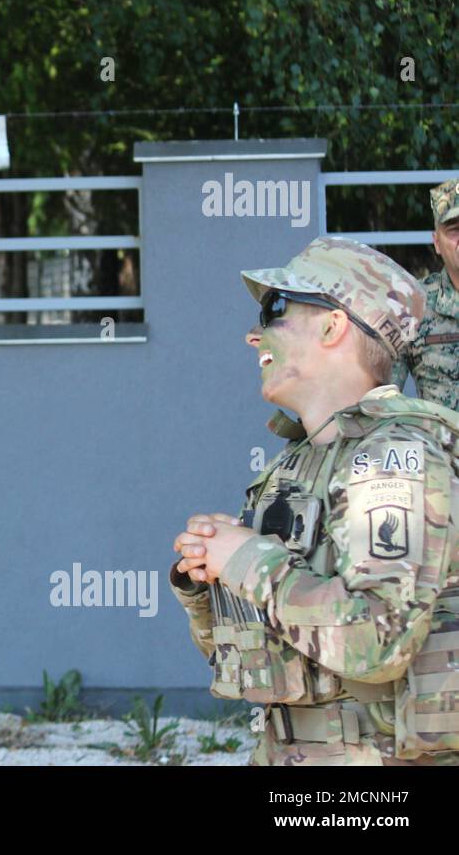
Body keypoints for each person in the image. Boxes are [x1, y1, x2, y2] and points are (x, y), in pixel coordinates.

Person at [170, 236, 459, 765]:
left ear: (333, 327)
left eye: (275, 309)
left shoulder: (393, 456)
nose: (254, 334)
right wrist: (210, 582)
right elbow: (266, 653)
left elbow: (379, 642)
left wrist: (248, 560)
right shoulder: (296, 463)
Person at [392, 178, 459, 406]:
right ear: (437, 242)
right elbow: (381, 398)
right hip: (440, 441)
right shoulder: (412, 305)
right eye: (454, 230)